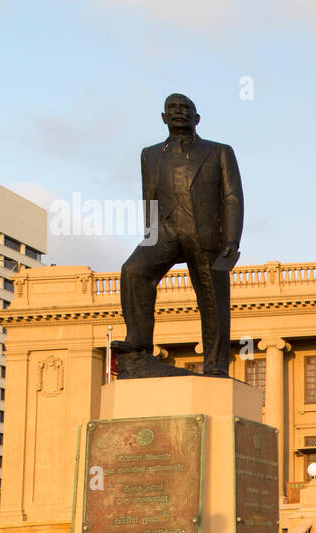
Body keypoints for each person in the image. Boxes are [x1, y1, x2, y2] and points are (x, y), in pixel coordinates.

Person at [112, 93, 243, 377]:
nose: (178, 112)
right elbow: (150, 198)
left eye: (185, 108)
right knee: (133, 270)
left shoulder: (219, 151)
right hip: (166, 231)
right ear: (163, 117)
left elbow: (232, 198)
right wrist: (149, 236)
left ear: (197, 118)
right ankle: (139, 343)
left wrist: (231, 240)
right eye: (172, 108)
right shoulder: (150, 154)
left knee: (212, 298)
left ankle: (216, 363)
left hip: (206, 234)